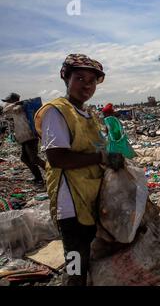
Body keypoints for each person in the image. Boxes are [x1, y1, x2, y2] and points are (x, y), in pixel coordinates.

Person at [34, 53, 124, 286]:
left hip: (89, 194)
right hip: (70, 201)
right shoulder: (56, 111)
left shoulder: (88, 114)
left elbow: (98, 145)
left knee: (88, 251)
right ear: (67, 79)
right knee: (75, 258)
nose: (86, 85)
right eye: (80, 78)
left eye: (91, 81)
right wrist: (101, 157)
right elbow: (57, 158)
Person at [2, 92, 46, 184]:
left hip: (30, 137)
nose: (7, 103)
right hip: (24, 138)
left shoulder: (19, 108)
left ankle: (52, 172)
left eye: (9, 101)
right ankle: (38, 178)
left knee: (34, 158)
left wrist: (15, 104)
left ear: (14, 101)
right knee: (25, 158)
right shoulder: (17, 108)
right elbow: (6, 113)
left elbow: (5, 110)